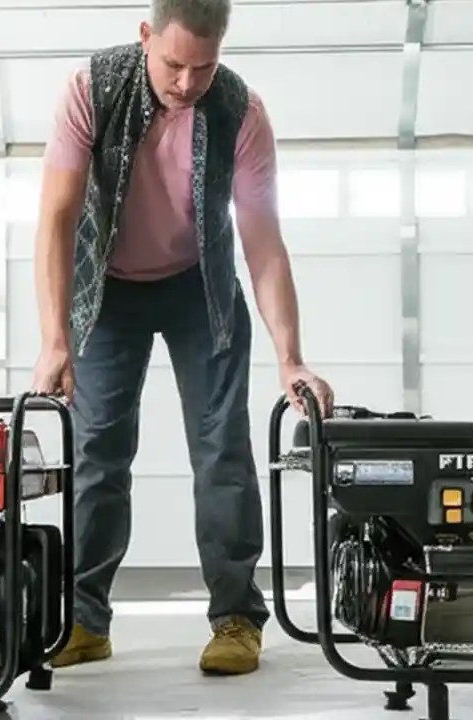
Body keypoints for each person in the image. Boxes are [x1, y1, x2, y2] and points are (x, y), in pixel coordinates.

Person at [30, 0, 335, 676]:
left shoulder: (241, 110)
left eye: (204, 66)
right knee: (99, 452)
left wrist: (292, 358)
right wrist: (54, 338)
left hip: (201, 285)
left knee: (221, 446)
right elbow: (54, 219)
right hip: (105, 288)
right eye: (174, 63)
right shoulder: (90, 89)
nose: (188, 80)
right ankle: (83, 621)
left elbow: (263, 240)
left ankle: (235, 618)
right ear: (146, 37)